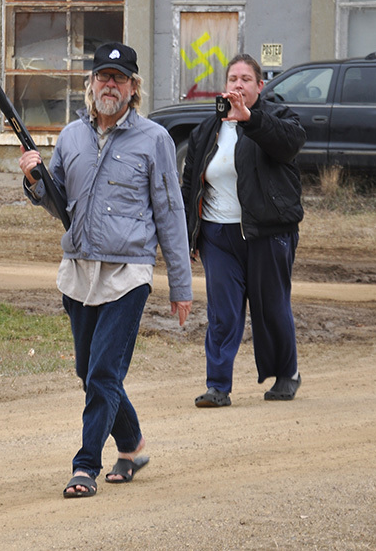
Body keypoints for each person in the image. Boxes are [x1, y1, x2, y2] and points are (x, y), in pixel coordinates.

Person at [19, 42, 193, 499]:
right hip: (78, 270)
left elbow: (171, 215)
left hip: (128, 274)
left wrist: (180, 285)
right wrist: (34, 179)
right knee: (89, 370)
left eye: (119, 78)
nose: (109, 84)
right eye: (102, 76)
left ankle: (85, 466)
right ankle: (133, 447)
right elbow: (55, 203)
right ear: (90, 83)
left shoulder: (154, 139)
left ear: (133, 88)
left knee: (101, 375)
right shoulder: (71, 136)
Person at [181, 54, 306, 409]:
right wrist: (191, 234)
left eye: (246, 79)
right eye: (233, 78)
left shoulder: (278, 119)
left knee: (272, 307)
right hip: (218, 237)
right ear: (225, 86)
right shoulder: (207, 130)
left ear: (259, 86)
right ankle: (218, 386)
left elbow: (289, 144)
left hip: (267, 233)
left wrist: (250, 119)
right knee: (224, 312)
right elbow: (191, 182)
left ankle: (286, 373)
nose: (238, 84)